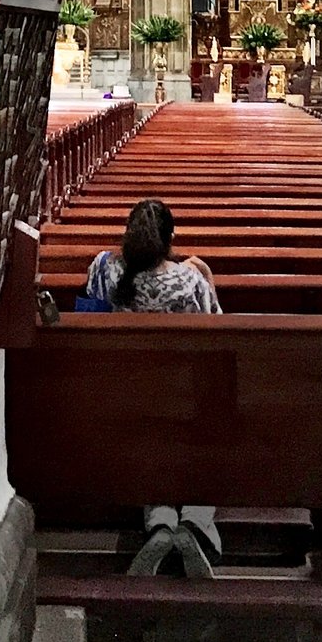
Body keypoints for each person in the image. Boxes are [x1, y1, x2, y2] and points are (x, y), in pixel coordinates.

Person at [83, 200, 224, 577]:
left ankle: (160, 522)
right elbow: (220, 333)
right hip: (184, 397)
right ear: (171, 239)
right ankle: (193, 523)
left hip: (124, 393)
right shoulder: (189, 280)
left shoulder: (102, 269)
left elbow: (87, 318)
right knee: (212, 428)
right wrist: (206, 275)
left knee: (152, 431)